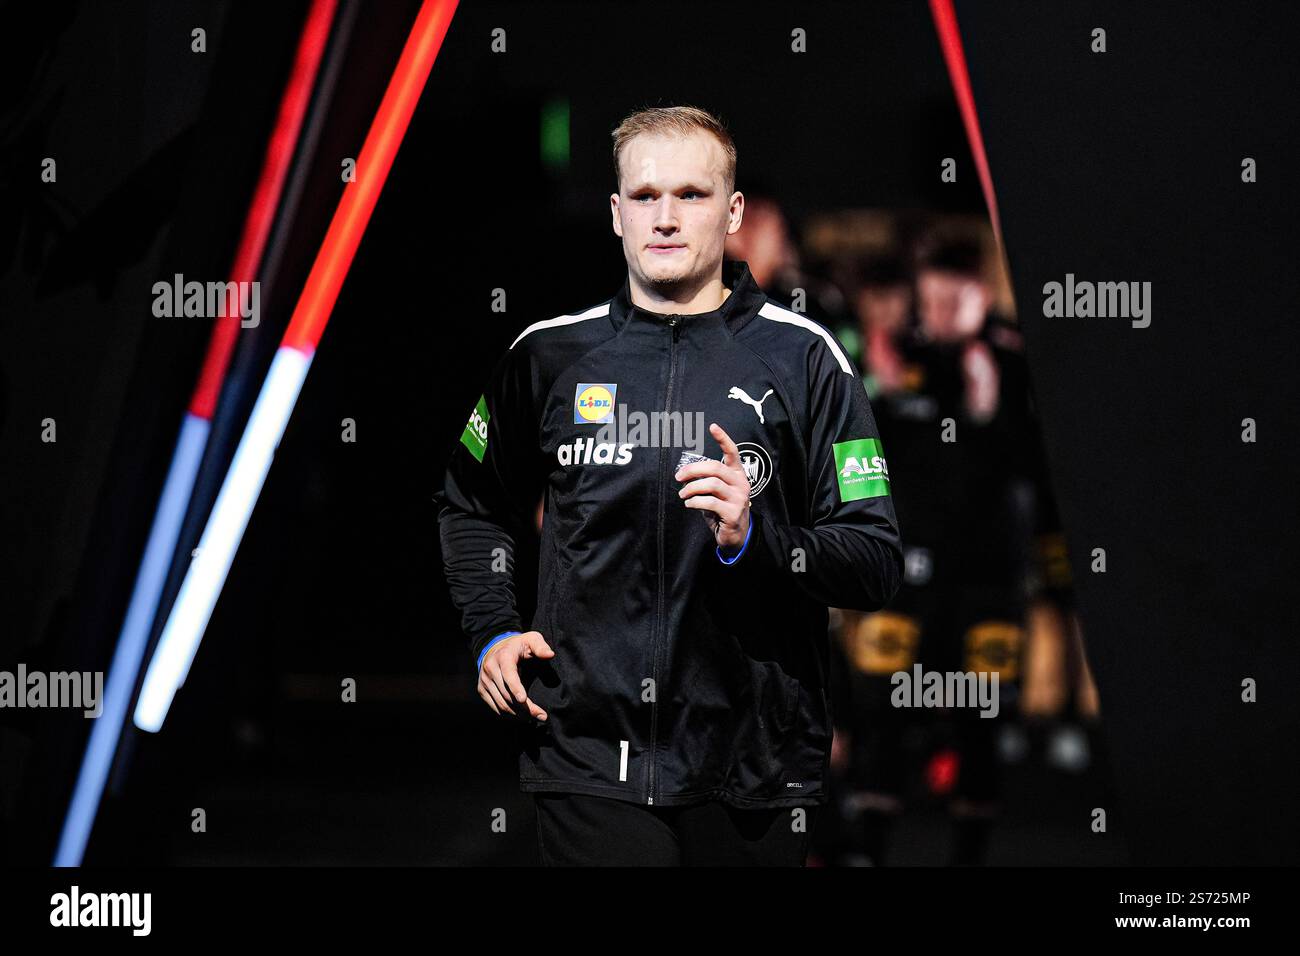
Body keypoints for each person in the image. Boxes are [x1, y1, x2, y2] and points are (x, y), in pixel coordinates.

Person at [433, 105, 902, 866]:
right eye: (646, 196)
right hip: (587, 760)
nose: (666, 218)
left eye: (692, 194)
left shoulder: (807, 360)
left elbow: (875, 559)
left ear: (734, 211)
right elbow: (471, 504)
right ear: (616, 213)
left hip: (752, 768)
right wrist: (490, 626)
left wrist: (757, 540)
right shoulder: (547, 357)